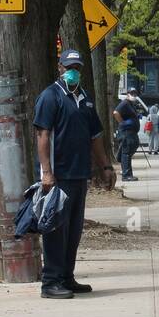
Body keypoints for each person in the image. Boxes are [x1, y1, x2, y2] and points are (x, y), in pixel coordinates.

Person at [33, 49, 116, 298]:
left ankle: (66, 277)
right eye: (69, 67)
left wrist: (105, 167)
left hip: (80, 175)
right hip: (58, 176)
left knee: (74, 229)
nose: (73, 71)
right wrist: (47, 172)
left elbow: (96, 136)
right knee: (56, 229)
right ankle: (51, 282)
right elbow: (42, 135)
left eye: (77, 67)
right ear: (60, 67)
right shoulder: (50, 97)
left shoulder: (85, 98)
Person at [111, 86, 143, 181]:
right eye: (131, 93)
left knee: (133, 146)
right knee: (127, 152)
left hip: (132, 132)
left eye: (135, 94)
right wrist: (122, 122)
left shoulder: (131, 104)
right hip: (126, 132)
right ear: (127, 94)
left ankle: (120, 158)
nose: (133, 95)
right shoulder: (124, 103)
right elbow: (116, 112)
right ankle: (126, 175)